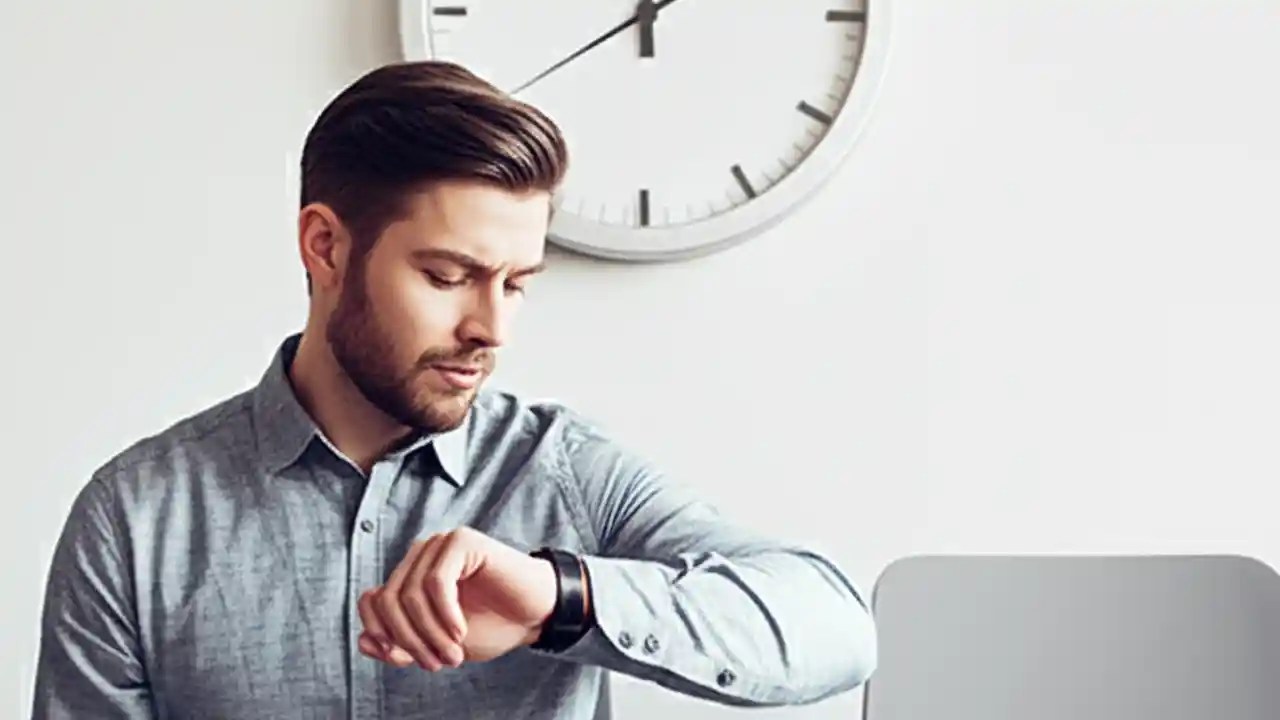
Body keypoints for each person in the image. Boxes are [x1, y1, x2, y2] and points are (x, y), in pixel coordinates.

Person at [31, 60, 877, 719]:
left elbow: (834, 628)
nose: (491, 328)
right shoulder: (137, 518)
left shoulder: (564, 474)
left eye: (515, 283)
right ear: (325, 247)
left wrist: (560, 599)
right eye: (447, 276)